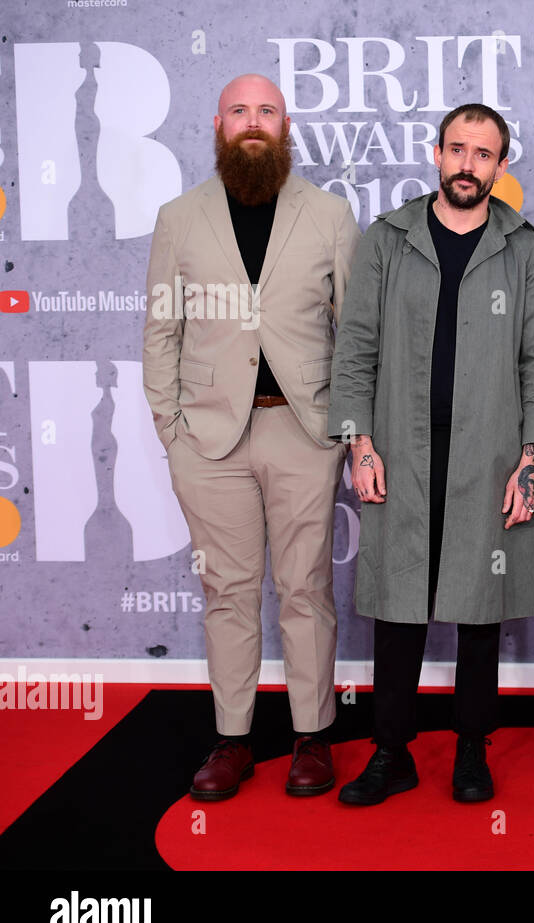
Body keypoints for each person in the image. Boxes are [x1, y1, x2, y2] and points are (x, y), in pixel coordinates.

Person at [328, 103, 534, 806]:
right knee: (397, 606)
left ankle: (471, 750)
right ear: (436, 154)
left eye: (483, 154)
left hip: (489, 454)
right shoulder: (388, 239)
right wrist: (359, 442)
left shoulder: (524, 250)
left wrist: (531, 459)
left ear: (501, 165)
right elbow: (355, 348)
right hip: (398, 448)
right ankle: (391, 752)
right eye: (457, 149)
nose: (467, 164)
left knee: (480, 606)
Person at [142, 74, 361, 800]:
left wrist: (346, 429)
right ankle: (232, 739)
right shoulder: (179, 218)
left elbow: (356, 335)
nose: (254, 121)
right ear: (219, 125)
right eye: (239, 110)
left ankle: (312, 735)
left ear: (285, 125)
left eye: (267, 110)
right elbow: (161, 330)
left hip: (304, 431)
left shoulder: (330, 215)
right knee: (227, 591)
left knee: (306, 588)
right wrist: (171, 431)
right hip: (208, 440)